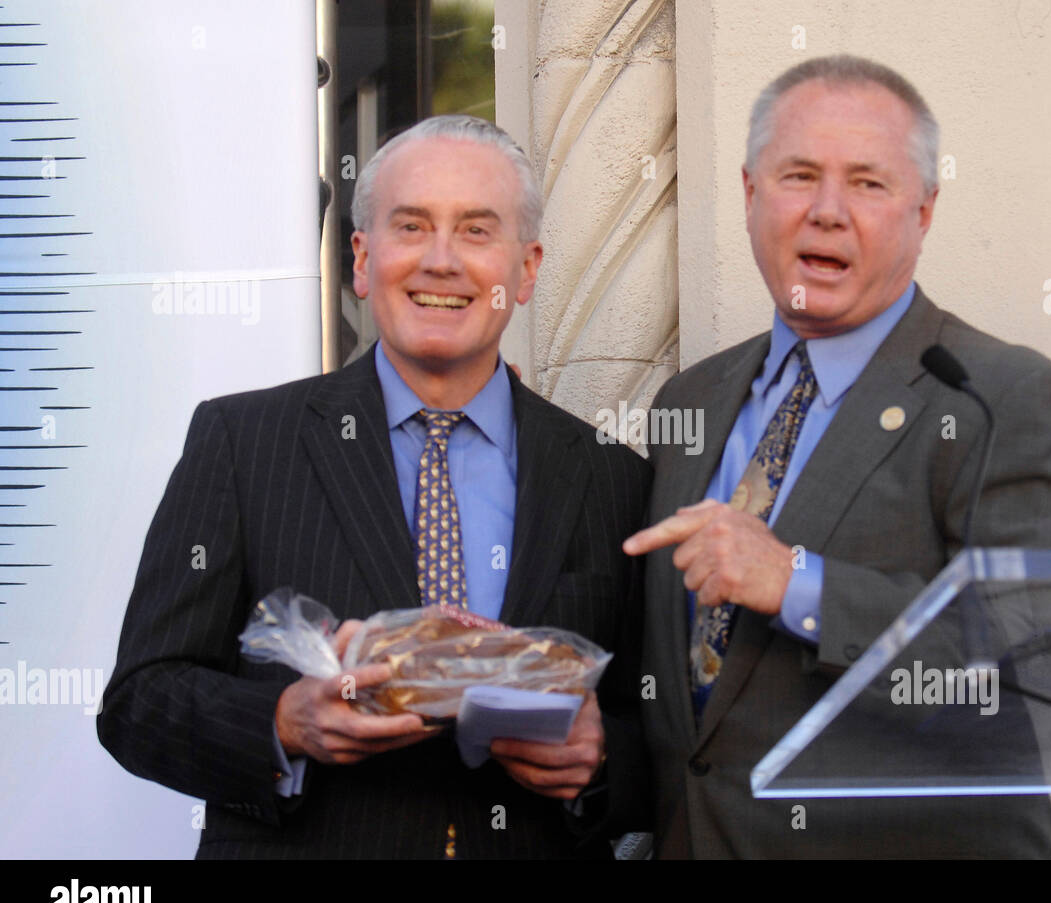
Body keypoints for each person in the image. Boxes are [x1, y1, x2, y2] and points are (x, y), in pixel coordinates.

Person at [98, 115, 651, 859]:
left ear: (526, 270)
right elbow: (138, 701)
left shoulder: (611, 475)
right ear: (362, 259)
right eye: (412, 226)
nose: (442, 260)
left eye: (477, 230)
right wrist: (285, 721)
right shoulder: (242, 442)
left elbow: (669, 733)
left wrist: (605, 757)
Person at [623, 56, 1051, 858]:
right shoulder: (692, 400)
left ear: (924, 212)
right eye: (799, 175)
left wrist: (798, 584)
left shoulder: (1007, 398)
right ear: (750, 195)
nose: (826, 212)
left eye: (868, 184)